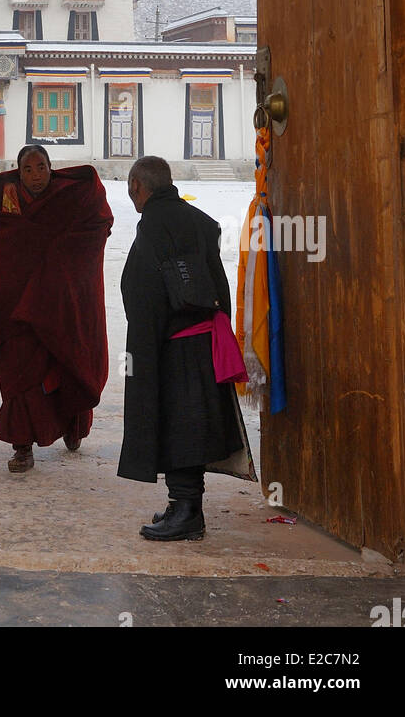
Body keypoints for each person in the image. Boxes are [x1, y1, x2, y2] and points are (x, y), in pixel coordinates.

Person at [119, 155, 255, 541]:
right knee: (191, 425)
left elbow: (144, 294)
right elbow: (217, 283)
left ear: (136, 187)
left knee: (180, 427)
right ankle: (181, 505)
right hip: (203, 340)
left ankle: (189, 512)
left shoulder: (154, 227)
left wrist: (143, 350)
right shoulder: (199, 221)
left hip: (172, 345)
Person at [0, 145, 113, 474]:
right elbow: (1, 243)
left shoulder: (69, 198)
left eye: (41, 167)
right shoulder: (7, 199)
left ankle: (72, 424)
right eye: (28, 169)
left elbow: (96, 228)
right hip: (19, 305)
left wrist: (60, 265)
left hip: (60, 302)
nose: (35, 175)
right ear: (17, 171)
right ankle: (22, 446)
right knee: (21, 373)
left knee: (67, 363)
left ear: (51, 169)